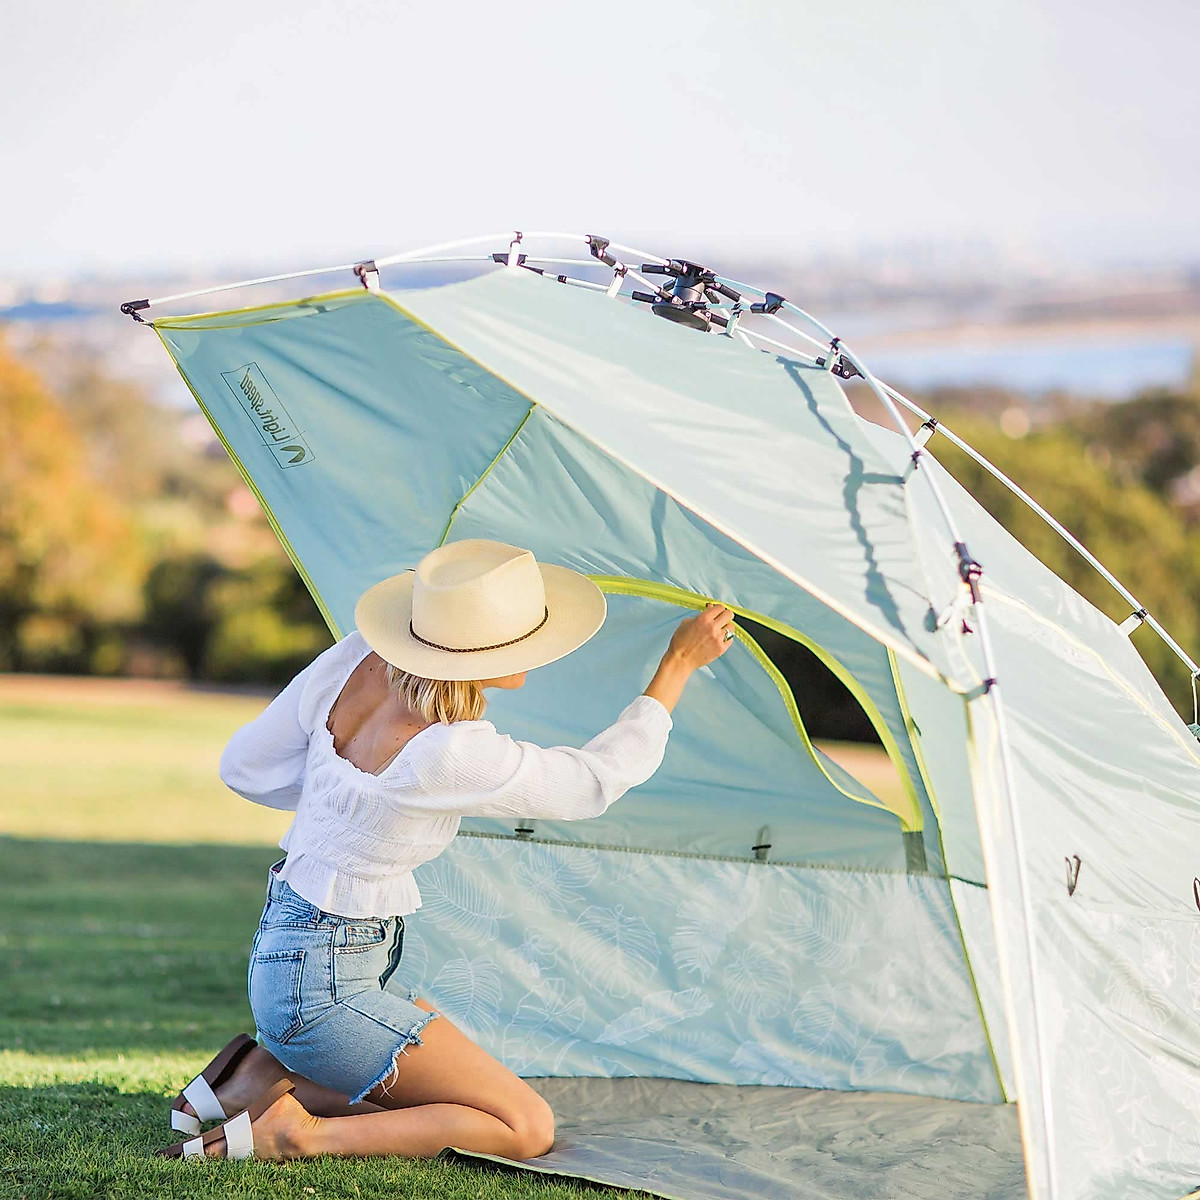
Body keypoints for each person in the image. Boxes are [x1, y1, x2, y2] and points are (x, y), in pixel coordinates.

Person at [161, 538, 735, 1161]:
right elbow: (594, 782)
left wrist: (348, 802)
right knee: (524, 1126)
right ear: (481, 655)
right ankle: (297, 1133)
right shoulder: (448, 752)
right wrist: (678, 664)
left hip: (289, 955)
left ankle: (254, 1080)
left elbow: (247, 766)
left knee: (448, 1087)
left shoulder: (354, 659)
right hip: (323, 990)